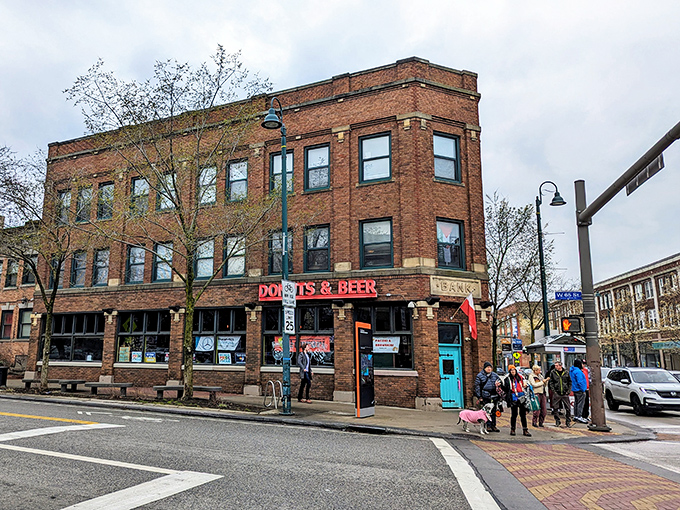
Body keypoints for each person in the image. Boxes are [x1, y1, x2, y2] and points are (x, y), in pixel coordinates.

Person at [503, 365, 532, 436]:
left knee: (523, 414)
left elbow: (525, 385)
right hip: (513, 397)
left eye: (514, 370)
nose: (513, 371)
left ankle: (525, 429)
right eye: (511, 370)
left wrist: (525, 386)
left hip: (521, 396)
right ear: (509, 371)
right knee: (514, 414)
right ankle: (513, 429)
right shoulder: (507, 379)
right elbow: (506, 389)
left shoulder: (521, 377)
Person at [474, 361, 502, 432]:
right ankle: (488, 425)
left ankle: (493, 425)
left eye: (490, 367)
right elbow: (477, 387)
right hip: (485, 396)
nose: (489, 369)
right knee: (487, 412)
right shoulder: (480, 376)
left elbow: (500, 382)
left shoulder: (495, 375)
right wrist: (479, 397)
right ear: (484, 368)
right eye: (487, 367)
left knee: (494, 411)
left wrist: (499, 385)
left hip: (494, 395)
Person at [548, 359, 572, 427]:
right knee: (555, 407)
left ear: (560, 366)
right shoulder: (553, 372)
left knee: (568, 408)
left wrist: (568, 391)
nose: (555, 367)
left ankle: (568, 421)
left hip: (565, 392)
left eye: (557, 365)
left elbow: (569, 382)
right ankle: (557, 421)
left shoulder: (566, 372)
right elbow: (551, 382)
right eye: (555, 365)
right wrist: (554, 391)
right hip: (557, 392)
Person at [570, 359, 588, 423]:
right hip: (580, 389)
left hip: (575, 389)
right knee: (580, 403)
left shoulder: (572, 371)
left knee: (576, 403)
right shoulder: (578, 371)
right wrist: (583, 389)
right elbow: (580, 381)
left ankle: (576, 415)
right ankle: (579, 416)